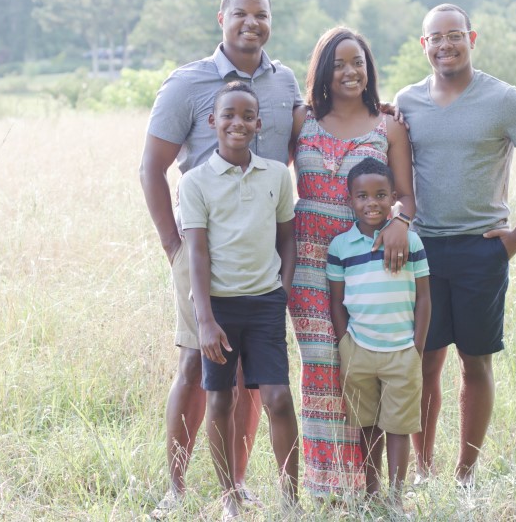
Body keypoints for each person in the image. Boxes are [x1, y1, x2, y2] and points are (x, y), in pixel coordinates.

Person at [138, 0, 305, 518]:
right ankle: (177, 486)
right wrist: (174, 246)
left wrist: (380, 110)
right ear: (221, 18)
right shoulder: (188, 84)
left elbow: (312, 132)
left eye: (261, 14)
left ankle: (236, 480)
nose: (251, 23)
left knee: (251, 379)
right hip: (202, 248)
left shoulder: (283, 82)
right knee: (195, 365)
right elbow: (151, 168)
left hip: (260, 256)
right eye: (240, 14)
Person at [395, 4, 516, 487]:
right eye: (436, 37)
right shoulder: (406, 102)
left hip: (480, 252)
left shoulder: (504, 99)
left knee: (475, 363)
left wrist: (515, 239)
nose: (445, 45)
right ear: (422, 44)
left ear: (472, 38)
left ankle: (465, 476)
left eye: (455, 35)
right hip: (422, 251)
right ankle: (423, 472)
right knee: (424, 362)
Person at [288, 26, 415, 498]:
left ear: (369, 69)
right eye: (339, 63)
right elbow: (266, 176)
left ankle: (369, 487)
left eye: (357, 62)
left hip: (367, 265)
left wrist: (400, 220)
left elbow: (406, 196)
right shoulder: (302, 121)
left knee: (364, 366)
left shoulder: (389, 125)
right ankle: (327, 487)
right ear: (323, 69)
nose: (349, 71)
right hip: (307, 262)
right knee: (323, 365)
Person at [180, 82, 300, 519]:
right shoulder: (196, 182)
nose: (238, 123)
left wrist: (282, 290)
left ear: (258, 124)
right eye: (228, 114)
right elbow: (197, 251)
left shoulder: (276, 175)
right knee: (220, 401)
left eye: (247, 116)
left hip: (266, 303)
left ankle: (291, 501)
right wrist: (205, 319)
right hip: (219, 308)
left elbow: (288, 239)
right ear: (213, 121)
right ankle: (230, 498)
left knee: (279, 399)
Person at [326, 158, 430, 510]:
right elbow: (337, 302)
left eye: (381, 195)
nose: (372, 203)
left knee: (399, 426)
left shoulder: (410, 241)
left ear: (393, 198)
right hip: (359, 350)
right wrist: (345, 343)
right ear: (350, 201)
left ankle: (396, 500)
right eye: (363, 196)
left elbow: (425, 296)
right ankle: (372, 493)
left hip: (403, 349)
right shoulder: (341, 247)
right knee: (367, 426)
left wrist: (417, 345)